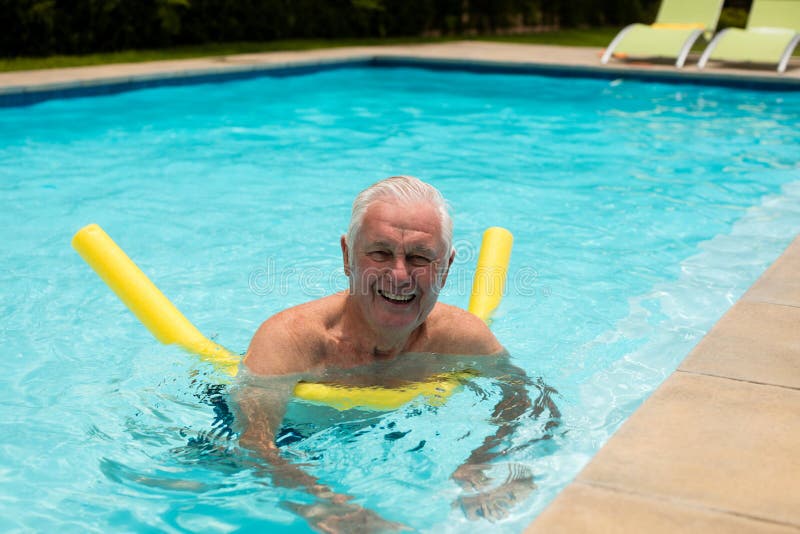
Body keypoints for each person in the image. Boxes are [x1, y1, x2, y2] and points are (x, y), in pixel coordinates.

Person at [236, 176, 557, 530]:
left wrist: (490, 462)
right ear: (347, 256)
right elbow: (252, 446)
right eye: (380, 253)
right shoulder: (293, 341)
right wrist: (340, 514)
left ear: (446, 269)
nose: (400, 275)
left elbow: (530, 399)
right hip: (296, 435)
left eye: (420, 257)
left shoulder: (460, 338)